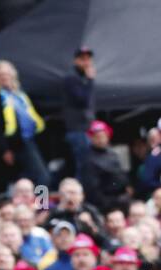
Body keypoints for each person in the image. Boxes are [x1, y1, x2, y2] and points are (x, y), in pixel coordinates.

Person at [0, 60, 48, 189]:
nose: (4, 77)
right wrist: (5, 149)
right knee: (42, 176)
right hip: (16, 143)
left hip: (31, 139)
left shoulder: (20, 95)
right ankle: (42, 206)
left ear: (12, 75)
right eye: (0, 75)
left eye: (6, 74)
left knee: (28, 177)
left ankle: (29, 205)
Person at [62, 46, 95, 177]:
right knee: (83, 165)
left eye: (88, 59)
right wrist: (90, 80)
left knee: (85, 164)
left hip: (85, 127)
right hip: (77, 129)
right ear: (76, 60)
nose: (86, 62)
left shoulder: (82, 78)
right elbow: (83, 100)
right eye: (82, 59)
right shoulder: (71, 78)